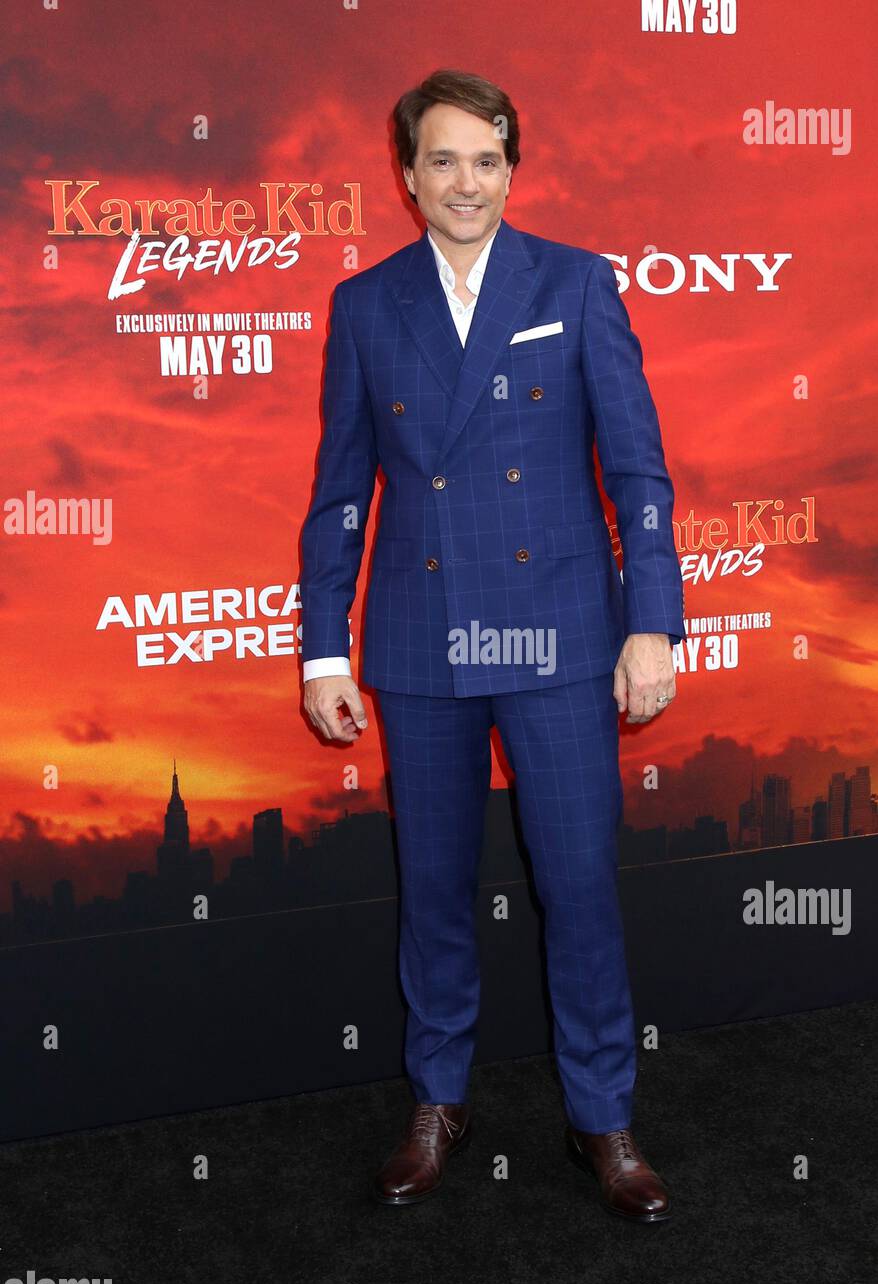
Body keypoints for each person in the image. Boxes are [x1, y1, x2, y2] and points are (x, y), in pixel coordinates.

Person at [299, 69, 684, 1223]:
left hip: (562, 632)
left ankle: (602, 1117)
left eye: (487, 159)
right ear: (407, 175)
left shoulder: (574, 281)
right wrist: (325, 646)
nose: (466, 182)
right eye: (443, 160)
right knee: (435, 896)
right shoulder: (365, 306)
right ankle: (437, 1102)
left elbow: (637, 472)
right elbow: (339, 494)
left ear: (511, 169)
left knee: (577, 890)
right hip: (421, 643)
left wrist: (651, 620)